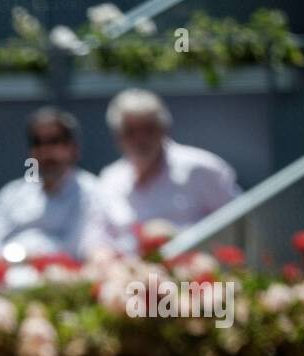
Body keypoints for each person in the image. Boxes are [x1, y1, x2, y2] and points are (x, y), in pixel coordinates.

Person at [0, 107, 115, 264]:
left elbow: (88, 249)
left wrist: (32, 257)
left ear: (73, 149)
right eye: (37, 143)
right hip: (6, 281)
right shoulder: (10, 195)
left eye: (54, 141)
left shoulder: (92, 193)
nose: (45, 152)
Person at [98, 88, 240, 244]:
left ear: (164, 129)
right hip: (131, 267)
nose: (141, 139)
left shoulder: (201, 169)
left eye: (148, 129)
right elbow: (103, 240)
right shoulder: (110, 179)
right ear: (118, 137)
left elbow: (241, 223)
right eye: (130, 131)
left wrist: (178, 238)